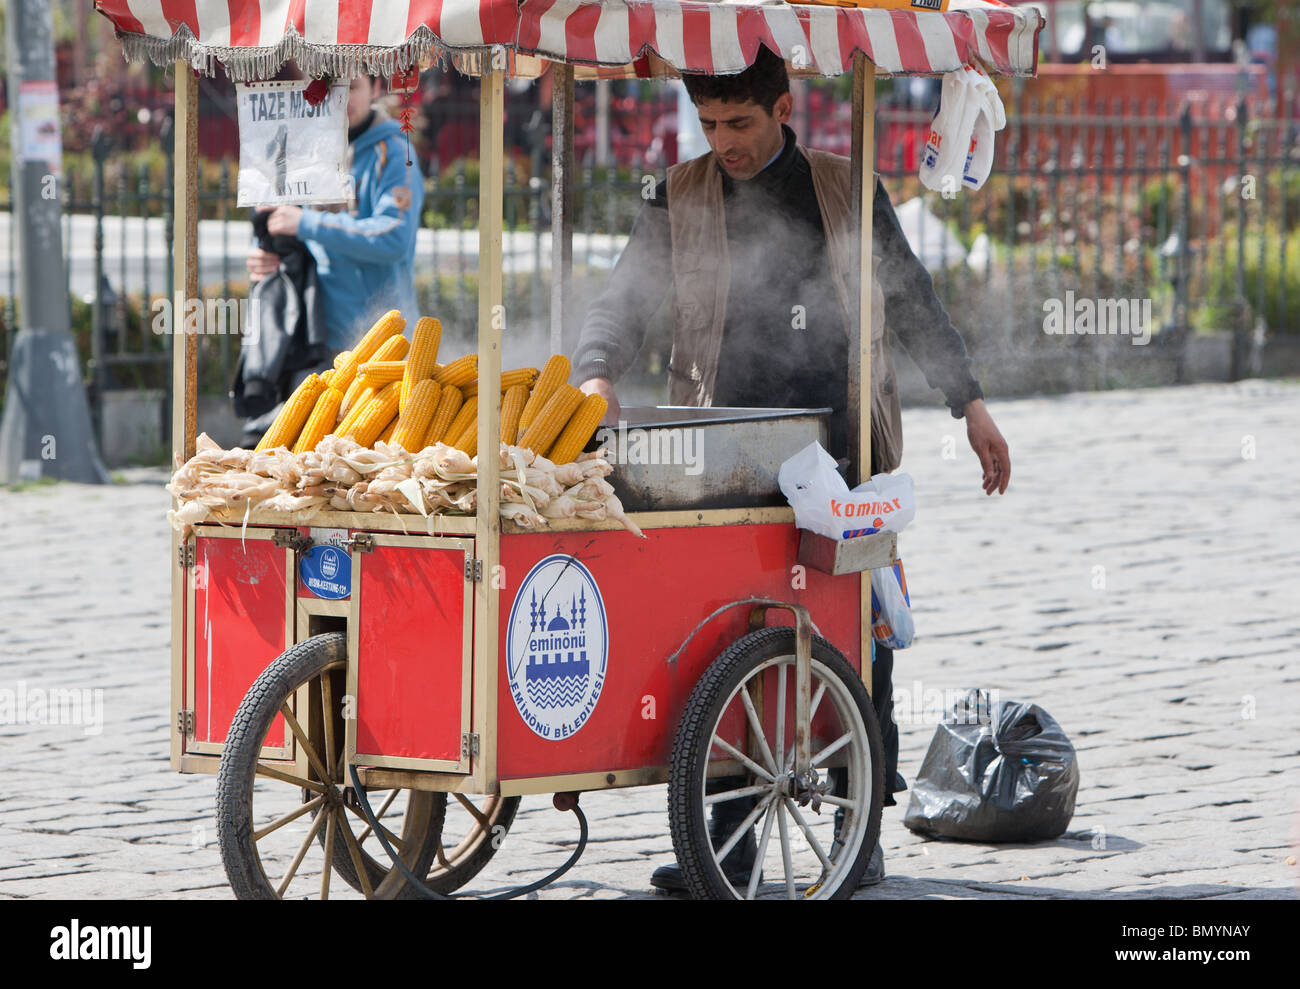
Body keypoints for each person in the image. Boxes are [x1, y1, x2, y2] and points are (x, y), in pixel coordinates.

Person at [570, 46, 1011, 893]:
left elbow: (910, 296)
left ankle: (860, 831)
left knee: (859, 643)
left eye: (738, 122)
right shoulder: (677, 195)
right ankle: (726, 851)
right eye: (708, 124)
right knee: (728, 641)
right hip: (723, 451)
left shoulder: (846, 190)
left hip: (844, 450)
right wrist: (597, 368)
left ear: (782, 110)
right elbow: (624, 296)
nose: (723, 142)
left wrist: (972, 402)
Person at [246, 75, 424, 356]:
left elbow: (394, 237)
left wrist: (307, 224)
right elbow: (285, 223)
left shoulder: (396, 153)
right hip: (319, 342)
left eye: (352, 87)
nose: (340, 98)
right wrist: (263, 255)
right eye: (328, 87)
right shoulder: (302, 152)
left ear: (376, 89)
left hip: (388, 344)